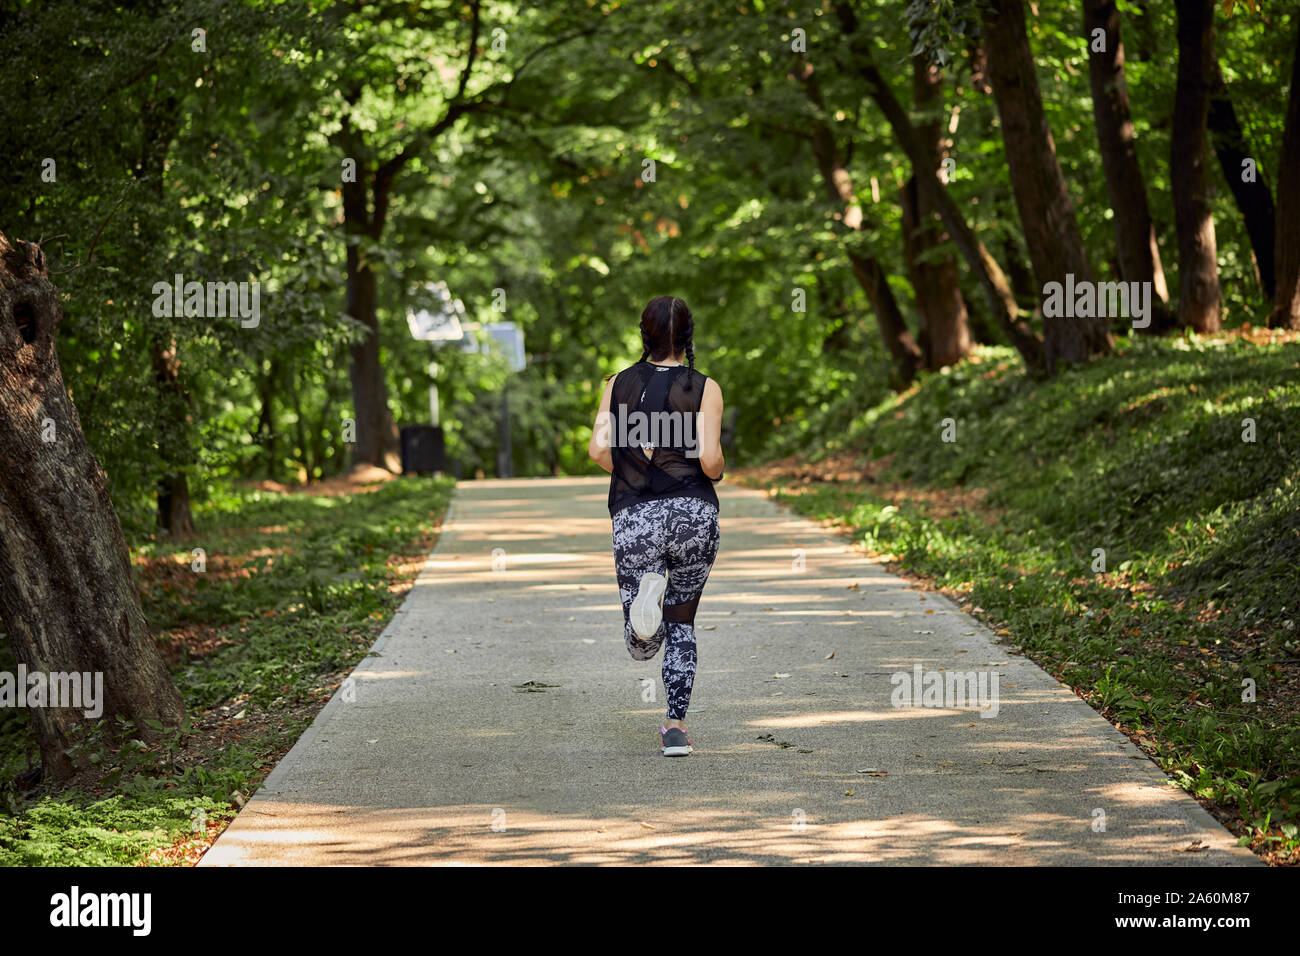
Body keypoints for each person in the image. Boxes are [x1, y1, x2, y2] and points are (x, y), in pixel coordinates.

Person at [588, 295, 725, 757]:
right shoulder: (704, 387)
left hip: (636, 516)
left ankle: (646, 621)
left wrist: (635, 470)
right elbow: (709, 461)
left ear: (643, 336)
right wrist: (717, 466)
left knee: (643, 645)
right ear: (689, 338)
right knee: (683, 624)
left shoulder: (617, 385)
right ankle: (675, 729)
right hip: (693, 516)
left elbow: (598, 452)